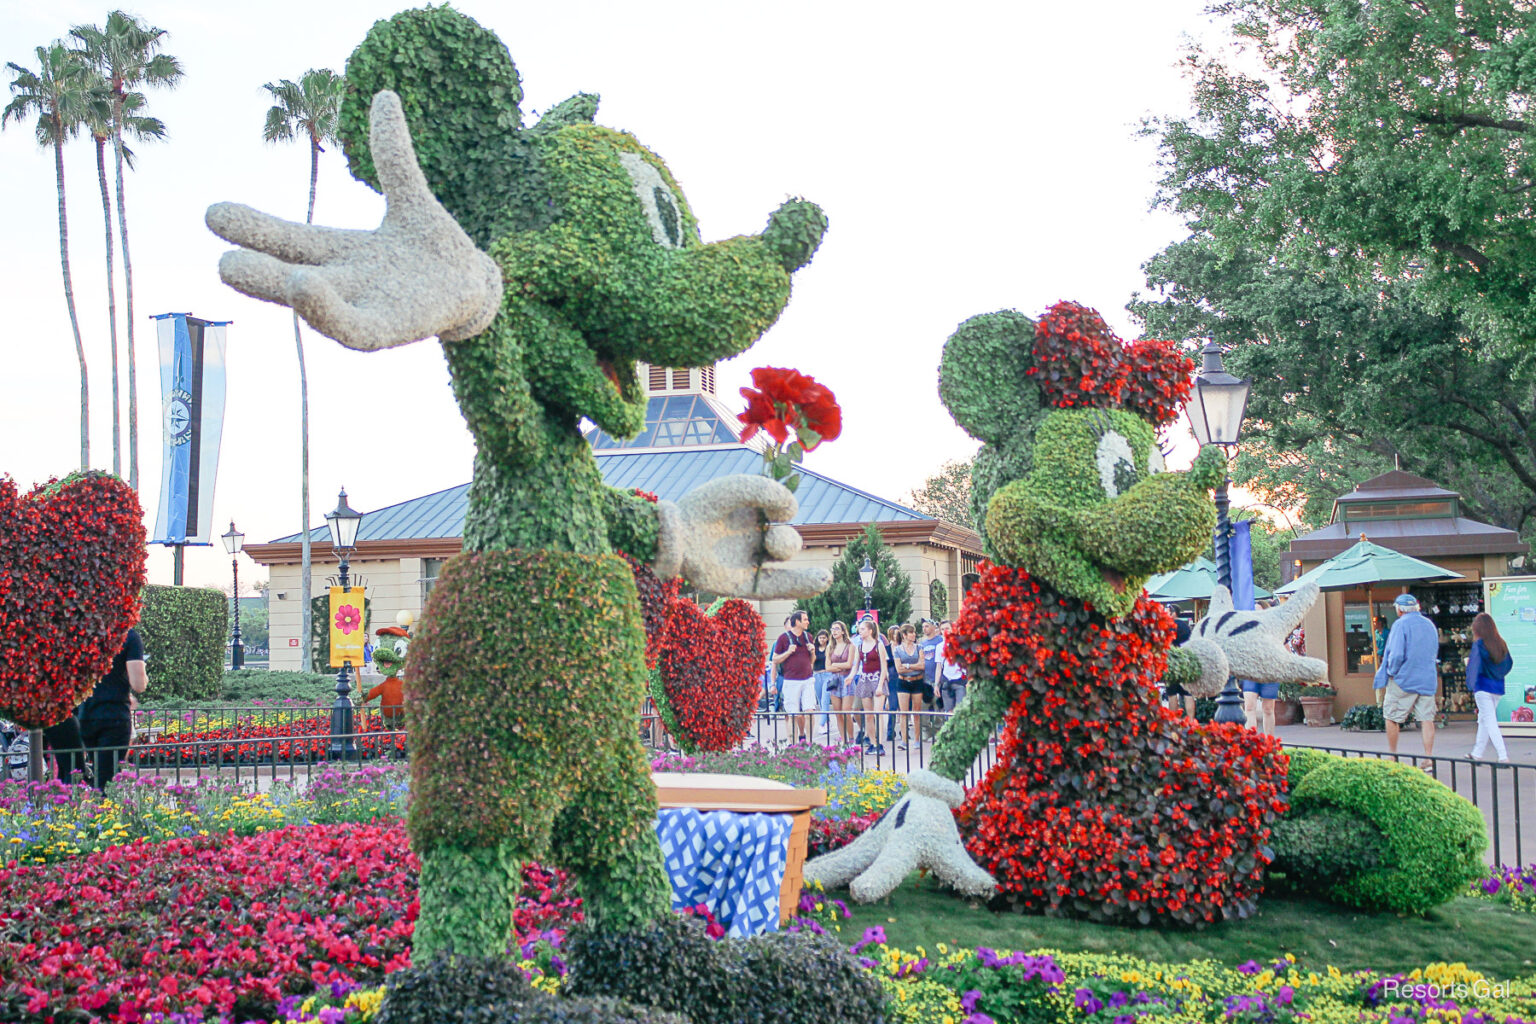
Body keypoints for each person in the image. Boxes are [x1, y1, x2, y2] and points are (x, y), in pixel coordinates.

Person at [1374, 593, 1440, 764]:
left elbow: (1396, 655)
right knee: (1426, 719)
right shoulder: (1429, 624)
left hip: (1404, 679)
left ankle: (1393, 755)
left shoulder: (1400, 625)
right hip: (1427, 679)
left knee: (1391, 716)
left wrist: (1392, 672)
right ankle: (1428, 757)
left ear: (1400, 609)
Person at [79, 628, 148, 789]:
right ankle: (102, 809)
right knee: (108, 781)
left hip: (86, 714)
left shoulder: (84, 634)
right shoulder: (128, 636)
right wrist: (144, 675)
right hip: (114, 715)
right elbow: (138, 684)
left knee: (96, 775)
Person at [1467, 612, 1513, 764]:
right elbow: (1508, 664)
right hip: (1497, 687)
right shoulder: (1501, 643)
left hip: (1482, 687)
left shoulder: (1479, 645)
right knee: (1484, 719)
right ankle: (1477, 753)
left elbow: (1474, 667)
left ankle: (1503, 756)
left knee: (1490, 721)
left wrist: (1470, 682)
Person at [772, 610, 817, 745]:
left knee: (809, 711)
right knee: (792, 713)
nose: (808, 622)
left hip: (807, 679)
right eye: (805, 619)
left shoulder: (808, 637)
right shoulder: (783, 638)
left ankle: (809, 742)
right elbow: (775, 659)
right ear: (797, 622)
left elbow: (812, 661)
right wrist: (788, 652)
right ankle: (793, 744)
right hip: (791, 681)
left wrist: (813, 652)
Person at [846, 616, 888, 755]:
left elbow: (884, 667)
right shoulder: (859, 646)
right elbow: (856, 665)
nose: (860, 631)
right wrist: (851, 677)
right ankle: (872, 742)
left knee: (878, 713)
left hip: (877, 678)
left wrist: (881, 685)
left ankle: (880, 744)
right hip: (864, 679)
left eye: (863, 629)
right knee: (868, 714)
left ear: (870, 630)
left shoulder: (878, 645)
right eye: (860, 629)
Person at [891, 624, 927, 750]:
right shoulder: (897, 650)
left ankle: (917, 739)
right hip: (903, 682)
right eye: (911, 633)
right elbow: (898, 669)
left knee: (916, 712)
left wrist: (907, 666)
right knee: (903, 712)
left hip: (917, 681)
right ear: (904, 635)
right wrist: (912, 666)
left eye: (914, 632)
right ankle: (904, 741)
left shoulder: (919, 647)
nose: (914, 635)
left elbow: (922, 665)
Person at [825, 620, 856, 746]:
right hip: (834, 680)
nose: (834, 631)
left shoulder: (850, 646)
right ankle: (843, 740)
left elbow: (849, 664)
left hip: (847, 679)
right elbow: (827, 667)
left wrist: (835, 664)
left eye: (837, 629)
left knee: (846, 711)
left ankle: (851, 738)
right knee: (838, 712)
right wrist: (838, 667)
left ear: (843, 631)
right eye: (832, 629)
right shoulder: (830, 647)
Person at [812, 629, 833, 738]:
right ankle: (827, 720)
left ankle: (822, 723)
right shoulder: (814, 649)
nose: (822, 640)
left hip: (827, 675)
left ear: (827, 638)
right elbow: (811, 662)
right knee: (820, 700)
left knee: (825, 699)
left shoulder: (829, 648)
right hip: (817, 675)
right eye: (820, 638)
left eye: (824, 637)